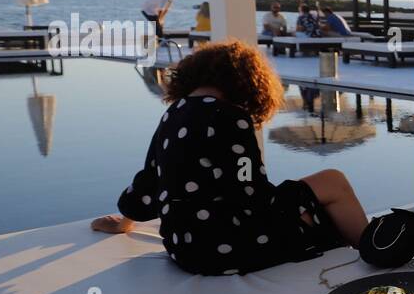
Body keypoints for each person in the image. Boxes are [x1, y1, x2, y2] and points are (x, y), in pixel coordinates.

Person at [91, 40, 368, 274]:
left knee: (317, 210)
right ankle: (377, 252)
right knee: (333, 181)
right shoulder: (230, 117)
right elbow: (251, 194)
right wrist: (306, 206)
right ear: (248, 82)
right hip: (228, 247)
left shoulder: (174, 114)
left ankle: (348, 243)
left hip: (185, 249)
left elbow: (149, 182)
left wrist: (125, 221)